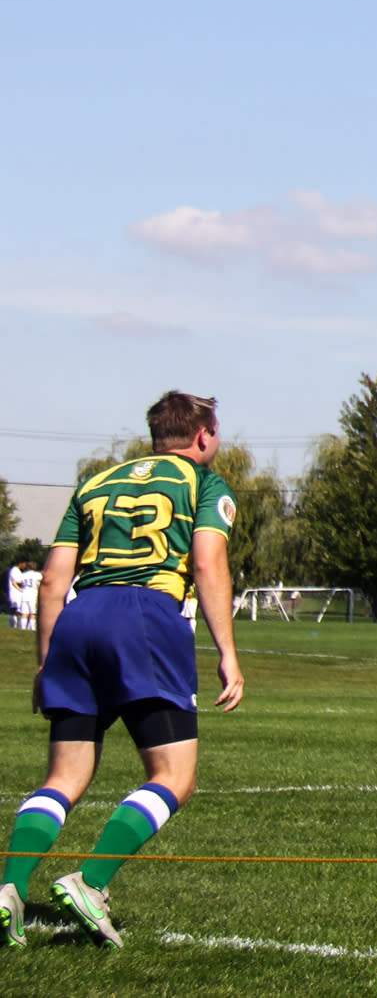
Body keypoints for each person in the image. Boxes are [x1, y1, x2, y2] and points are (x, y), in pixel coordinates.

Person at [1, 391, 245, 949]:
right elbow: (207, 563)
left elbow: (54, 580)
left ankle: (8, 887)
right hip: (144, 618)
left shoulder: (95, 485)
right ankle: (92, 882)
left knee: (63, 778)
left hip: (79, 621)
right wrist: (227, 651)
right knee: (174, 776)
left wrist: (45, 663)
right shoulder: (206, 486)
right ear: (204, 436)